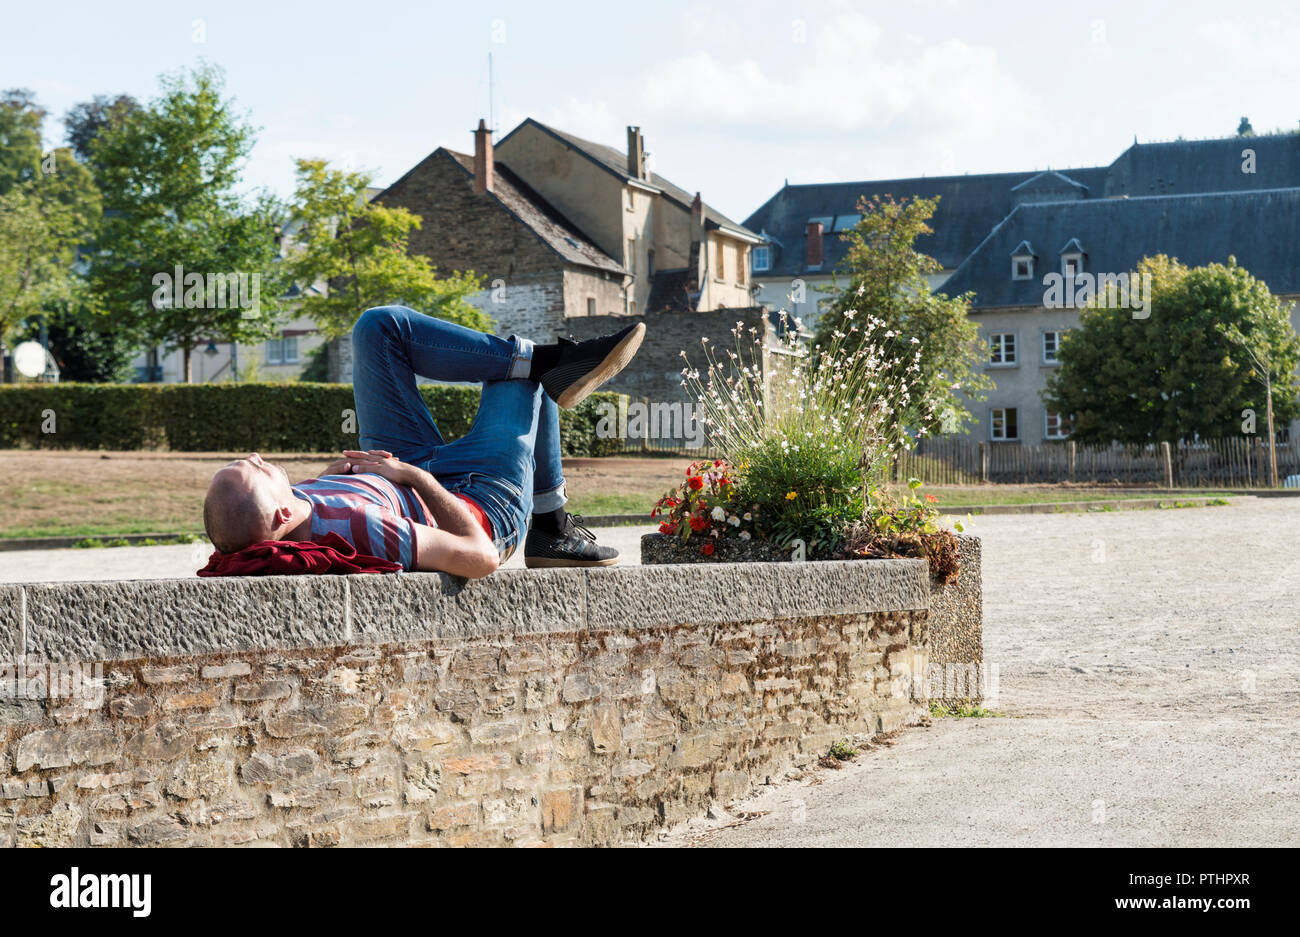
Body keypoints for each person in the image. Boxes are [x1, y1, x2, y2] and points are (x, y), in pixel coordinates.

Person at [201, 304, 644, 577]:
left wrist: (334, 476)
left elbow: (299, 517)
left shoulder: (287, 511)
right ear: (280, 511)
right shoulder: (361, 526)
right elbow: (480, 556)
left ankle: (548, 363)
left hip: (401, 468)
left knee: (378, 327)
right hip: (476, 501)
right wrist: (415, 478)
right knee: (518, 382)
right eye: (254, 468)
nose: (257, 456)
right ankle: (550, 526)